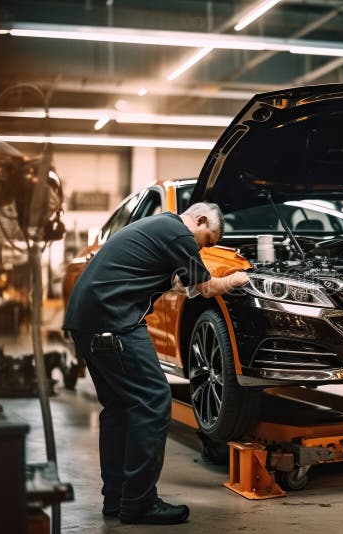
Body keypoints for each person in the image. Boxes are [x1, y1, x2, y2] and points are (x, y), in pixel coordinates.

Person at [63, 202, 249, 524]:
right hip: (113, 321)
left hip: (88, 320)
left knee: (120, 409)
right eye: (207, 241)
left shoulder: (161, 226)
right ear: (201, 220)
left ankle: (118, 500)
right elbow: (206, 287)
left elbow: (171, 279)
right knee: (153, 400)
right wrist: (238, 279)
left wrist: (174, 283)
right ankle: (140, 503)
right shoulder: (180, 234)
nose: (204, 248)